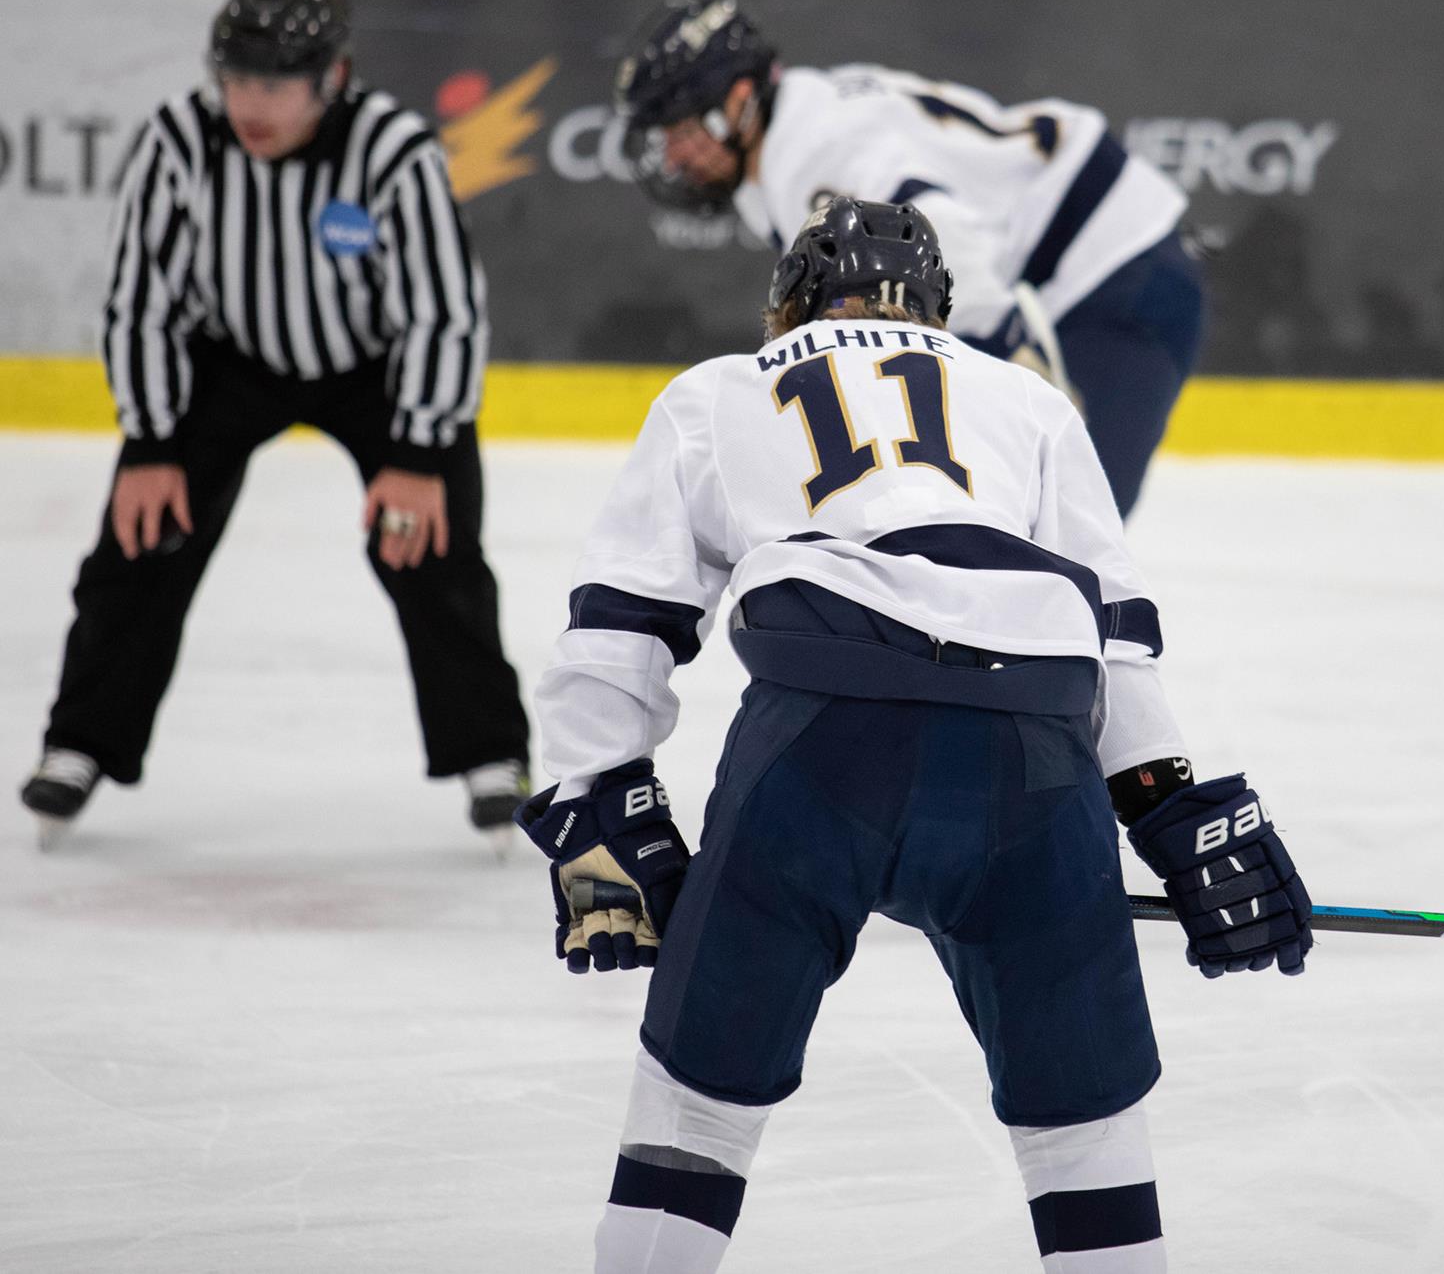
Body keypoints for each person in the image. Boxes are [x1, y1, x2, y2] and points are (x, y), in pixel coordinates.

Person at [514, 197, 1312, 1272]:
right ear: (940, 314)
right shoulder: (1026, 400)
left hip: (818, 748)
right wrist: (1177, 816)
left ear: (786, 303)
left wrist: (601, 800)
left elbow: (620, 618)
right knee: (1085, 1142)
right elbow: (1113, 642)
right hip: (1028, 761)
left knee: (693, 1117)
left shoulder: (720, 388)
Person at [18, 0, 531, 852]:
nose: (250, 104)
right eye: (237, 80)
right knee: (141, 542)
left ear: (331, 77)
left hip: (376, 370)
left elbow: (443, 310)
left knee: (430, 548)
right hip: (230, 363)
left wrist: (416, 451)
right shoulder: (181, 139)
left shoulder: (394, 151)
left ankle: (492, 754)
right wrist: (150, 441)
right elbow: (142, 299)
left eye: (276, 84)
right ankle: (80, 741)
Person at [612, 0, 1205, 518]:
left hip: (1123, 274)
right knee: (1035, 518)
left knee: (1065, 521)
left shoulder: (812, 157)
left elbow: (951, 246)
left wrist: (1011, 364)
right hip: (1106, 265)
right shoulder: (792, 129)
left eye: (680, 131)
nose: (672, 157)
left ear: (738, 101)